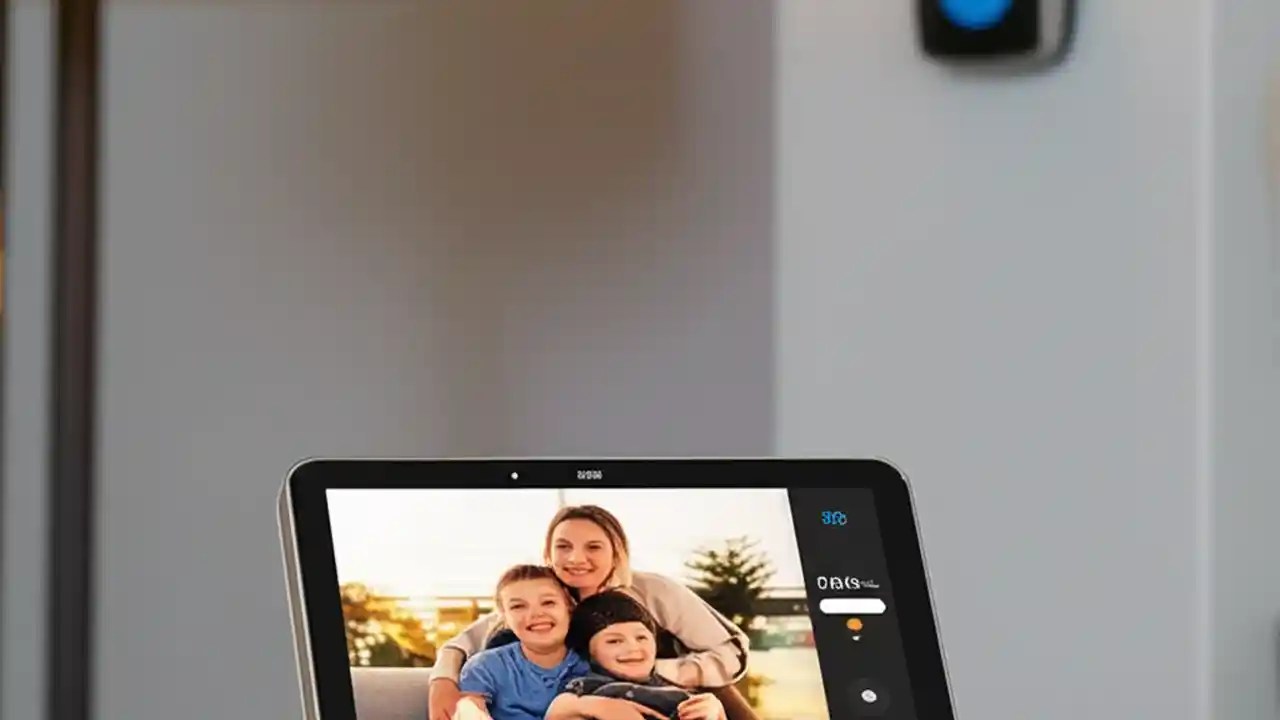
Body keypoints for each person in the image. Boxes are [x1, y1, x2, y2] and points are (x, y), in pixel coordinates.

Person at [428, 505, 758, 720]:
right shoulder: (548, 599)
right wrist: (443, 681)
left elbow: (732, 652)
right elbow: (463, 643)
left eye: (594, 547)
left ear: (617, 551)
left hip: (672, 690)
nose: (576, 559)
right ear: (548, 553)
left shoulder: (653, 590)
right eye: (563, 547)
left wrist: (655, 670)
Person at [547, 590, 726, 720]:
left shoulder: (678, 692)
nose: (633, 648)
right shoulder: (585, 690)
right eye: (614, 641)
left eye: (641, 637)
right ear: (589, 653)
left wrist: (715, 712)